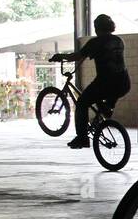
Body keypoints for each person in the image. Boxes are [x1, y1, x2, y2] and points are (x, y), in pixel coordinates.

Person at [50, 15, 129, 149]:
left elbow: (77, 56)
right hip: (124, 83)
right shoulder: (118, 41)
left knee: (82, 103)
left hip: (105, 83)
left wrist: (60, 56)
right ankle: (107, 109)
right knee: (102, 99)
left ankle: (82, 138)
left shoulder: (96, 42)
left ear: (97, 28)